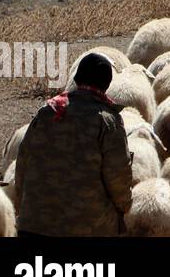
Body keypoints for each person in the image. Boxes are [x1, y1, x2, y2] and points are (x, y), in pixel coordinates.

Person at [13, 52, 134, 236]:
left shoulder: (48, 112)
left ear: (77, 78)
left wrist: (22, 205)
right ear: (106, 83)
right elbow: (118, 177)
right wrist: (125, 206)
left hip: (35, 225)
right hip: (87, 227)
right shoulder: (108, 122)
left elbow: (22, 161)